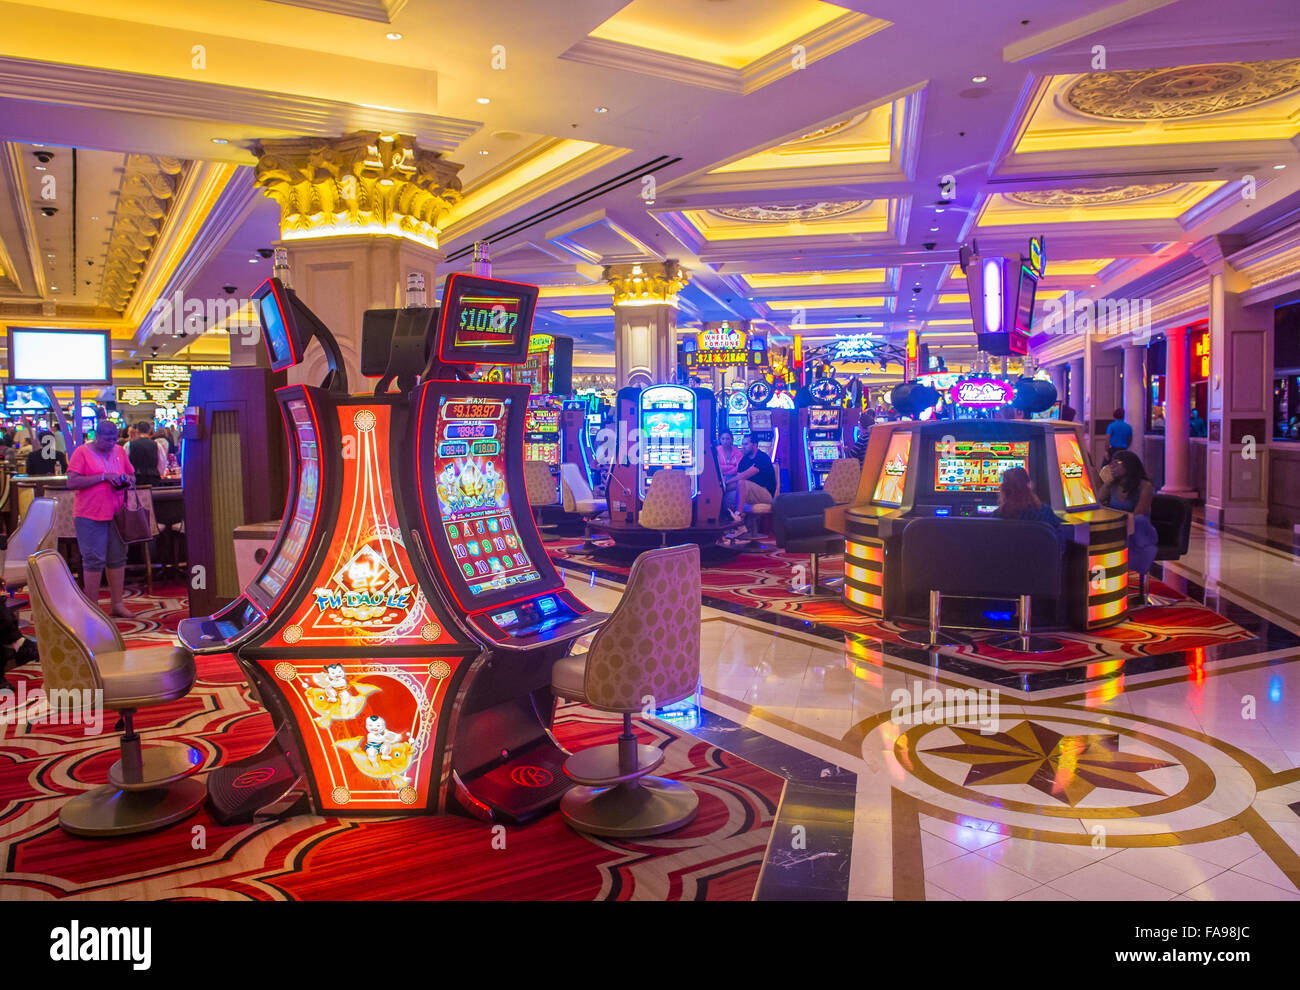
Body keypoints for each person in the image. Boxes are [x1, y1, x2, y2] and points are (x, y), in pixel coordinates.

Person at [67, 416, 136, 618]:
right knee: (93, 560)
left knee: (118, 558)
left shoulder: (120, 452)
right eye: (107, 439)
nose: (112, 443)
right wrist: (104, 477)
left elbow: (132, 476)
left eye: (115, 439)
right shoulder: (82, 452)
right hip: (89, 514)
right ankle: (92, 607)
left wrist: (124, 480)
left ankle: (117, 604)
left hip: (116, 513)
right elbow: (72, 482)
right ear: (96, 436)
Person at [1097, 449, 1158, 578]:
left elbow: (1139, 513)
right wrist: (1107, 483)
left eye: (1117, 463)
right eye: (1111, 463)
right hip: (1119, 526)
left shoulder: (1144, 486)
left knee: (1137, 521)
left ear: (1129, 465)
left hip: (1140, 529)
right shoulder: (1113, 485)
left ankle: (1130, 568)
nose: (1112, 466)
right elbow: (1097, 503)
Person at [728, 435, 777, 511]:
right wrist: (724, 487)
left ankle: (738, 514)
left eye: (746, 444)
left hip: (766, 493)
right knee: (727, 493)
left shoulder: (762, 457)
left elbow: (746, 474)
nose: (742, 447)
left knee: (741, 483)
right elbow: (737, 479)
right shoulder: (744, 460)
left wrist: (727, 481)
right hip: (750, 491)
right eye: (742, 444)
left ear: (754, 445)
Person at [128, 420, 164, 486]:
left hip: (135, 478)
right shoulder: (157, 444)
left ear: (137, 430)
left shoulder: (129, 445)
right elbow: (162, 463)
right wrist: (159, 473)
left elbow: (126, 463)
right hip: (153, 478)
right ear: (149, 430)